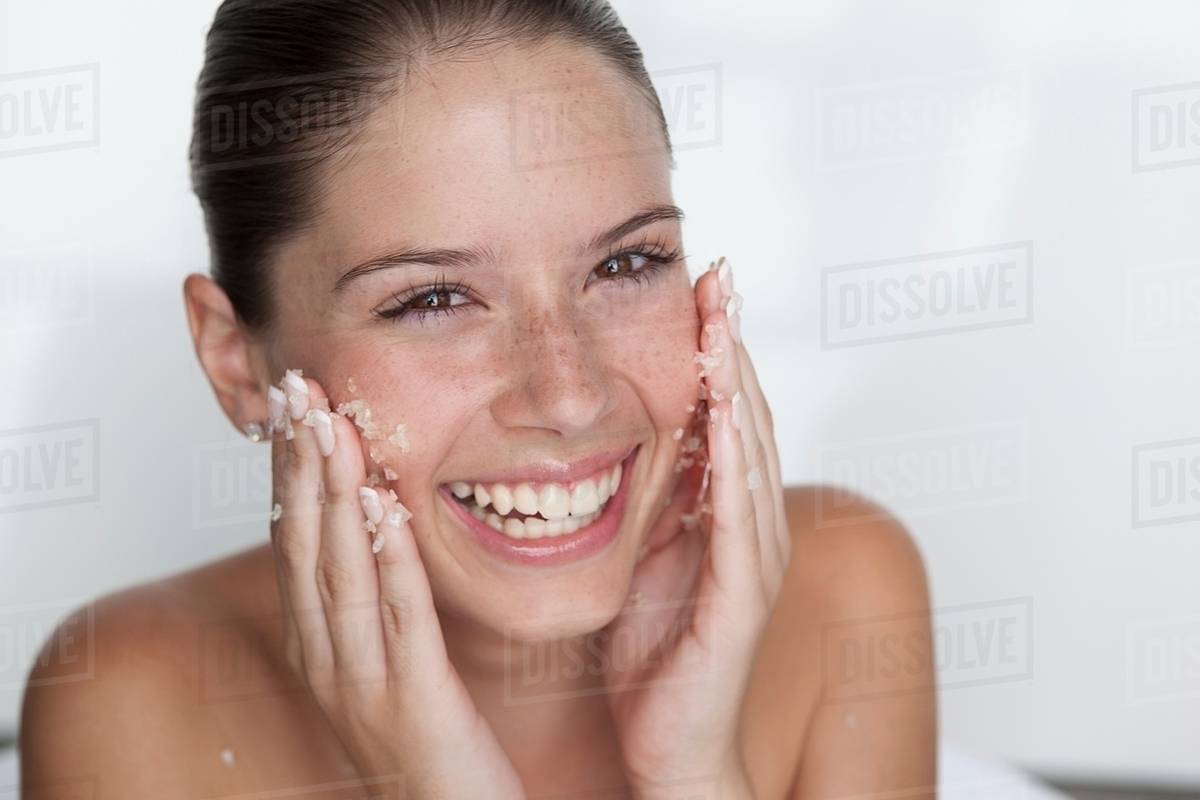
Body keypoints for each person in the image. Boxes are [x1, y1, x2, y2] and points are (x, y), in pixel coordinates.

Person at [20, 2, 936, 797]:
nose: (570, 395)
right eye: (433, 300)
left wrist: (697, 773)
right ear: (233, 360)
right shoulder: (133, 700)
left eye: (625, 264)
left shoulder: (839, 600)